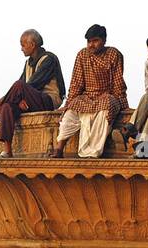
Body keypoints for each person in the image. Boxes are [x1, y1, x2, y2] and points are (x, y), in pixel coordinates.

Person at [0, 30, 65, 158]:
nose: (21, 49)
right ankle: (7, 150)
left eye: (23, 45)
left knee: (18, 85)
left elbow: (34, 84)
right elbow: (23, 85)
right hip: (30, 100)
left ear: (32, 44)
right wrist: (16, 100)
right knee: (7, 107)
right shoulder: (28, 63)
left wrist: (18, 95)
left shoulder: (49, 59)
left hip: (48, 100)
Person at [49, 25, 126, 159]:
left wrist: (123, 104)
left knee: (106, 108)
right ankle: (59, 148)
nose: (91, 45)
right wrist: (68, 104)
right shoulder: (82, 55)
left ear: (104, 40)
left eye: (95, 41)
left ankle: (92, 153)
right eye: (89, 41)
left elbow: (118, 82)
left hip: (106, 96)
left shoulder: (114, 54)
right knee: (70, 113)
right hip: (86, 97)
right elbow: (76, 83)